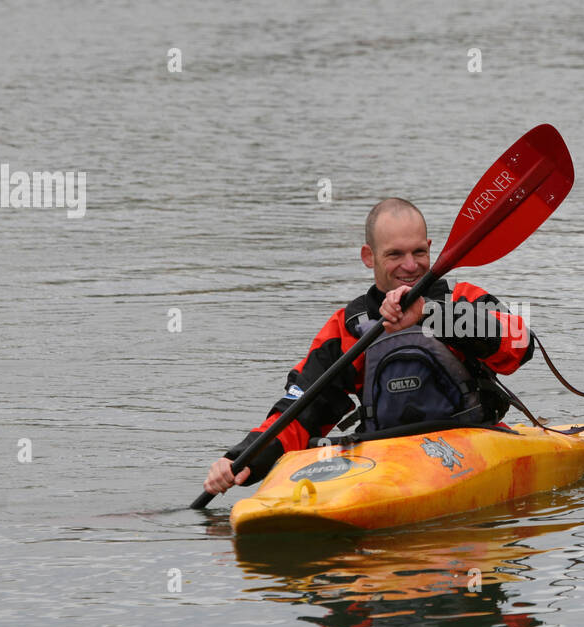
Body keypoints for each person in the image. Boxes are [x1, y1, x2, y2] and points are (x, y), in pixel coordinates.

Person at [203, 198, 533, 495]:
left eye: (419, 252)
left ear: (431, 249)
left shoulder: (460, 300)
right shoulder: (349, 325)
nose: (410, 265)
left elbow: (521, 343)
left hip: (473, 444)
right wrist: (242, 458)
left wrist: (430, 313)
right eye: (395, 254)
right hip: (384, 459)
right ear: (368, 256)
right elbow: (303, 409)